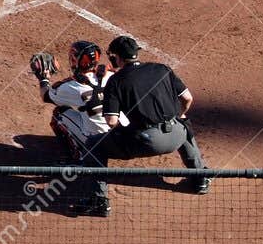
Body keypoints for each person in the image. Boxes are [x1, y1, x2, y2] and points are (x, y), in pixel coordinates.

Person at [72, 35, 208, 217]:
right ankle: (200, 179)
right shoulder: (162, 69)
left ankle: (98, 201)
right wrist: (179, 116)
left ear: (116, 58)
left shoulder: (117, 81)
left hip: (146, 142)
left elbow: (111, 121)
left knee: (94, 145)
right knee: (184, 124)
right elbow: (187, 99)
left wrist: (123, 133)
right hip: (176, 136)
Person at [30, 40, 109, 161]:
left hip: (97, 142)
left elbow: (46, 96)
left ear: (75, 60)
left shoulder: (72, 86)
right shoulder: (110, 75)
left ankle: (78, 158)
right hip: (118, 138)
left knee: (59, 114)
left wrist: (43, 78)